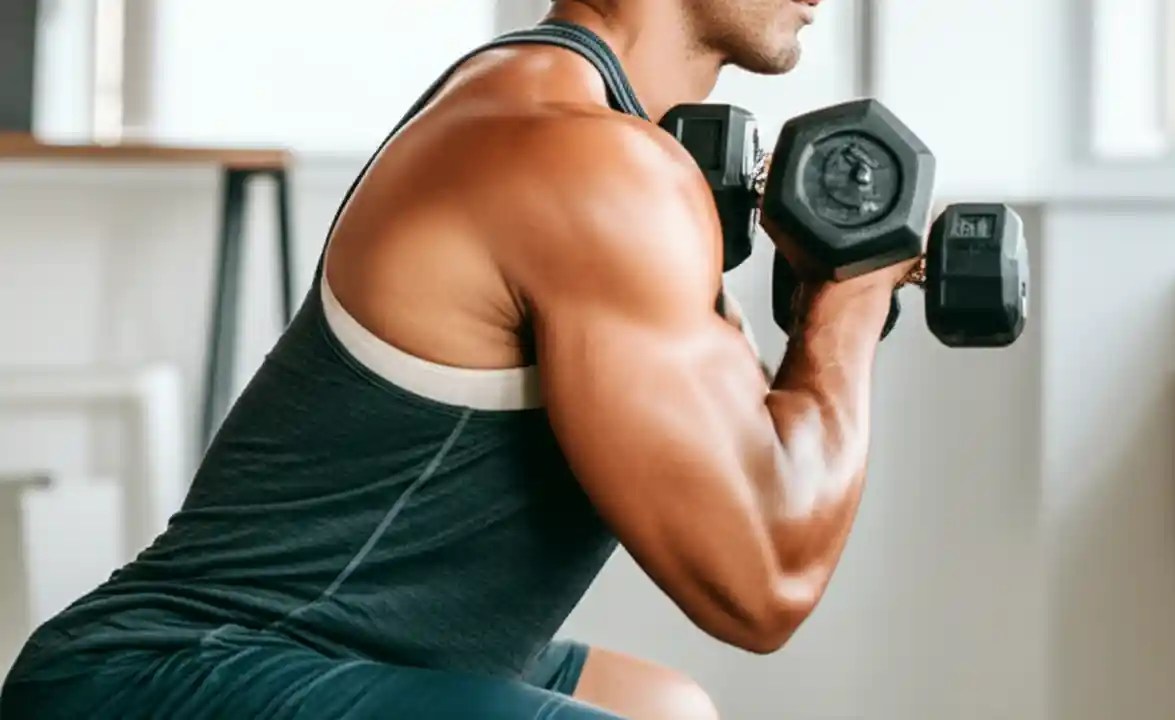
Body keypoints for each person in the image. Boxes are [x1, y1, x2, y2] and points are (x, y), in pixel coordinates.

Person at [1, 0, 917, 717]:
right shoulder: (582, 162)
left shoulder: (561, 106)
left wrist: (825, 302)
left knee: (667, 710)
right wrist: (853, 292)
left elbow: (756, 473)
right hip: (157, 686)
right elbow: (764, 584)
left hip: (328, 661)